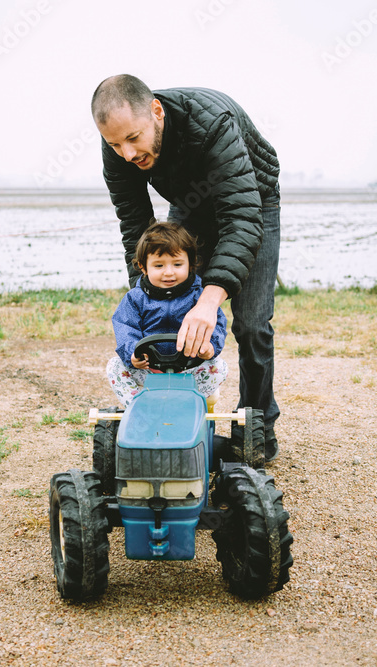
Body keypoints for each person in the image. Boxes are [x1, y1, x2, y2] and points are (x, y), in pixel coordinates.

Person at [91, 74, 281, 461]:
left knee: (251, 324)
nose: (127, 154)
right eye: (115, 144)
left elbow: (240, 217)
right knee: (167, 307)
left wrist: (210, 301)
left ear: (156, 112)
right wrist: (145, 297)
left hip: (252, 203)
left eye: (133, 139)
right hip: (190, 204)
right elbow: (135, 226)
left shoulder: (212, 125)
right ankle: (166, 418)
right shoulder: (119, 145)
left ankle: (257, 429)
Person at [107, 222, 228, 410]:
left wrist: (210, 346)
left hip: (189, 369)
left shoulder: (200, 297)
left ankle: (187, 404)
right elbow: (125, 327)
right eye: (159, 265)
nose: (169, 272)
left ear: (191, 264)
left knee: (219, 367)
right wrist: (133, 354)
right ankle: (141, 408)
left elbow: (217, 322)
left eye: (178, 264)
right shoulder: (135, 299)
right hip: (148, 370)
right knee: (114, 367)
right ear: (143, 267)